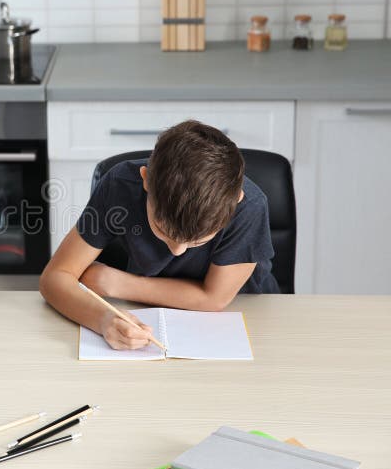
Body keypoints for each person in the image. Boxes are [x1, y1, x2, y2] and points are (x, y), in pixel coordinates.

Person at [40, 120, 278, 350]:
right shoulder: (120, 185)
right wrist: (102, 320)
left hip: (244, 312)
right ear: (144, 180)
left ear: (236, 200)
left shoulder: (249, 207)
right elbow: (55, 277)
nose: (177, 250)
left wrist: (116, 284)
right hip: (144, 310)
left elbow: (214, 298)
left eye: (197, 241)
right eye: (163, 231)